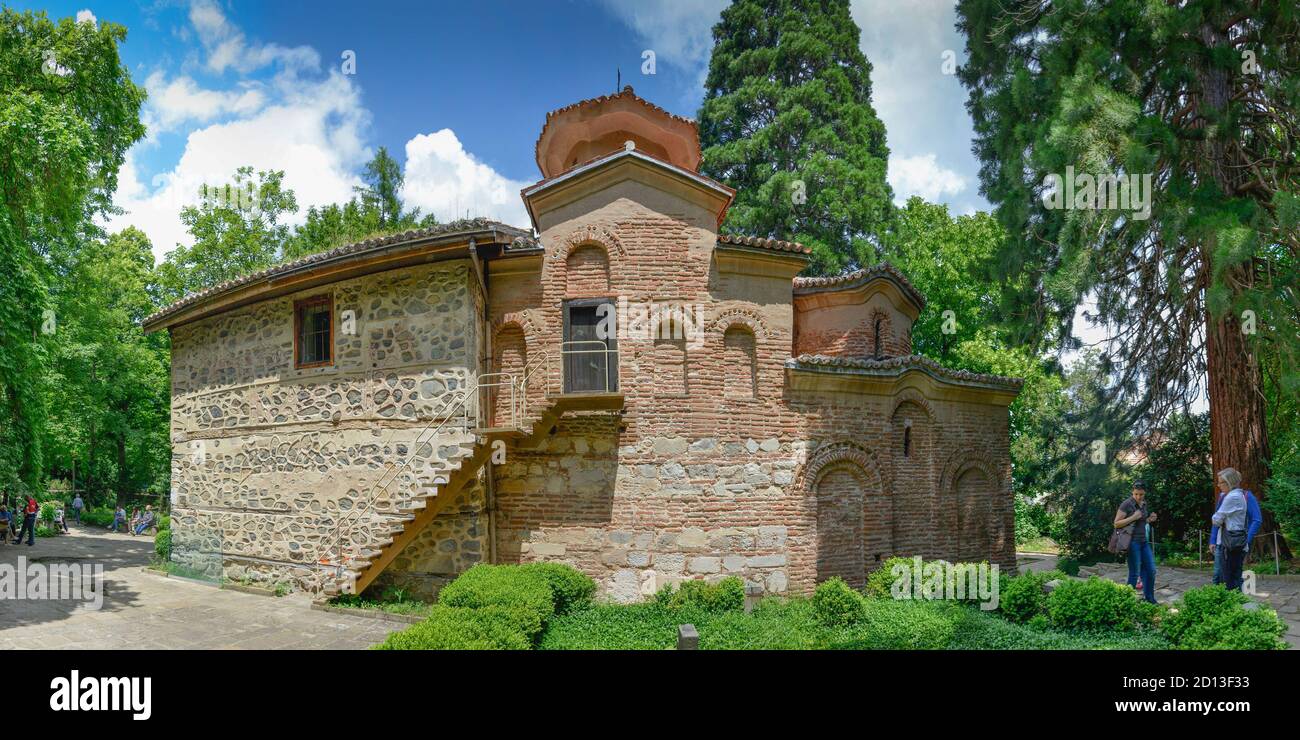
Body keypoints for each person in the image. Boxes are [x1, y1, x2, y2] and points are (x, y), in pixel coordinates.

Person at [1114, 480, 1158, 604]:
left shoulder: (1144, 504)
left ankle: (1149, 599)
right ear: (1132, 492)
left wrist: (1150, 519)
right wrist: (1133, 517)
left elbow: (1141, 522)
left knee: (1151, 570)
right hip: (1132, 543)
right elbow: (1116, 523)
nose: (1138, 497)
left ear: (1145, 493)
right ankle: (1126, 601)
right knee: (1134, 573)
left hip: (1144, 542)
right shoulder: (1126, 504)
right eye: (1136, 494)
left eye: (1141, 494)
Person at [1210, 485, 1264, 586]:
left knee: (1233, 575)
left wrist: (1245, 540)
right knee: (1218, 575)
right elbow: (1217, 519)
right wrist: (1213, 540)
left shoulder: (1246, 496)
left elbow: (1256, 520)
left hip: (1236, 542)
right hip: (1221, 541)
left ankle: (1235, 599)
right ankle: (1219, 599)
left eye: (1222, 482)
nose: (1219, 485)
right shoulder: (1223, 496)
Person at [1212, 467, 1250, 591]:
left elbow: (1216, 520)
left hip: (1230, 543)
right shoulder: (1238, 495)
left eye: (1221, 482)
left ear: (1229, 482)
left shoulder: (1232, 497)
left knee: (1229, 579)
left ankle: (1234, 606)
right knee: (1234, 576)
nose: (1218, 485)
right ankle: (1238, 606)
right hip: (1236, 541)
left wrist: (1218, 517)